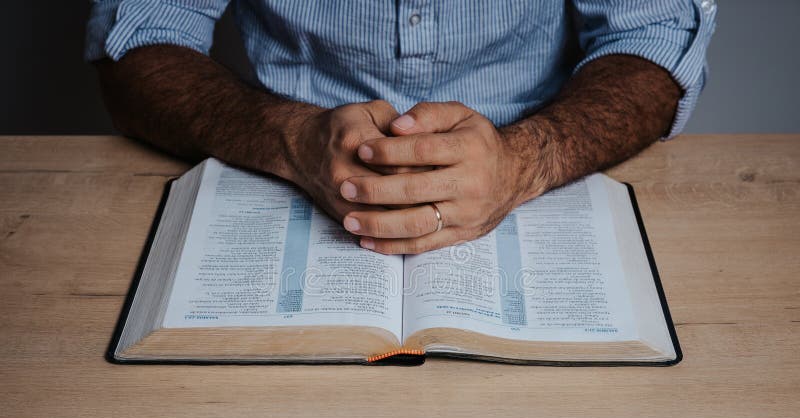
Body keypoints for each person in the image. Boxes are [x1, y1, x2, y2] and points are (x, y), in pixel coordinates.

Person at [86, 1, 716, 254]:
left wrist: (530, 158)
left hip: (548, 178)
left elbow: (652, 32)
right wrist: (292, 137)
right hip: (282, 172)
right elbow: (140, 39)